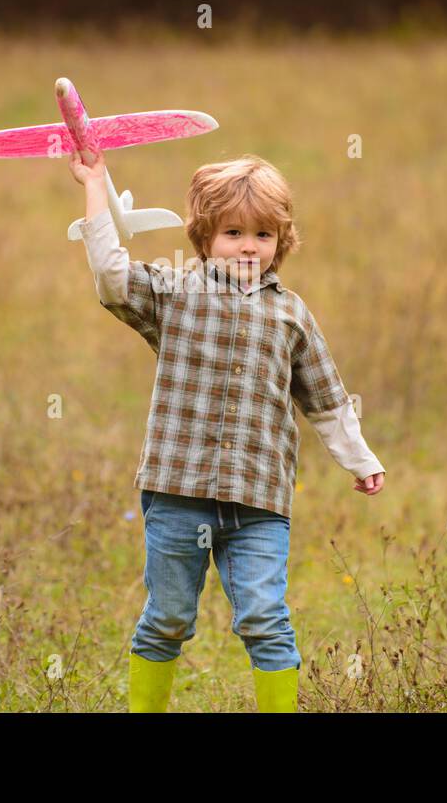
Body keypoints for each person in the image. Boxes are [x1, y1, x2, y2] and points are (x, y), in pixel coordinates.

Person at [70, 147, 386, 712]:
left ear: (281, 242)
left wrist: (361, 460)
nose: (248, 246)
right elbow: (112, 277)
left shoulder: (292, 315)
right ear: (204, 236)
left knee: (266, 618)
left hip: (259, 502)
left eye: (263, 235)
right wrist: (95, 183)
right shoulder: (174, 294)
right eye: (233, 232)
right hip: (177, 493)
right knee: (167, 618)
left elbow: (327, 398)